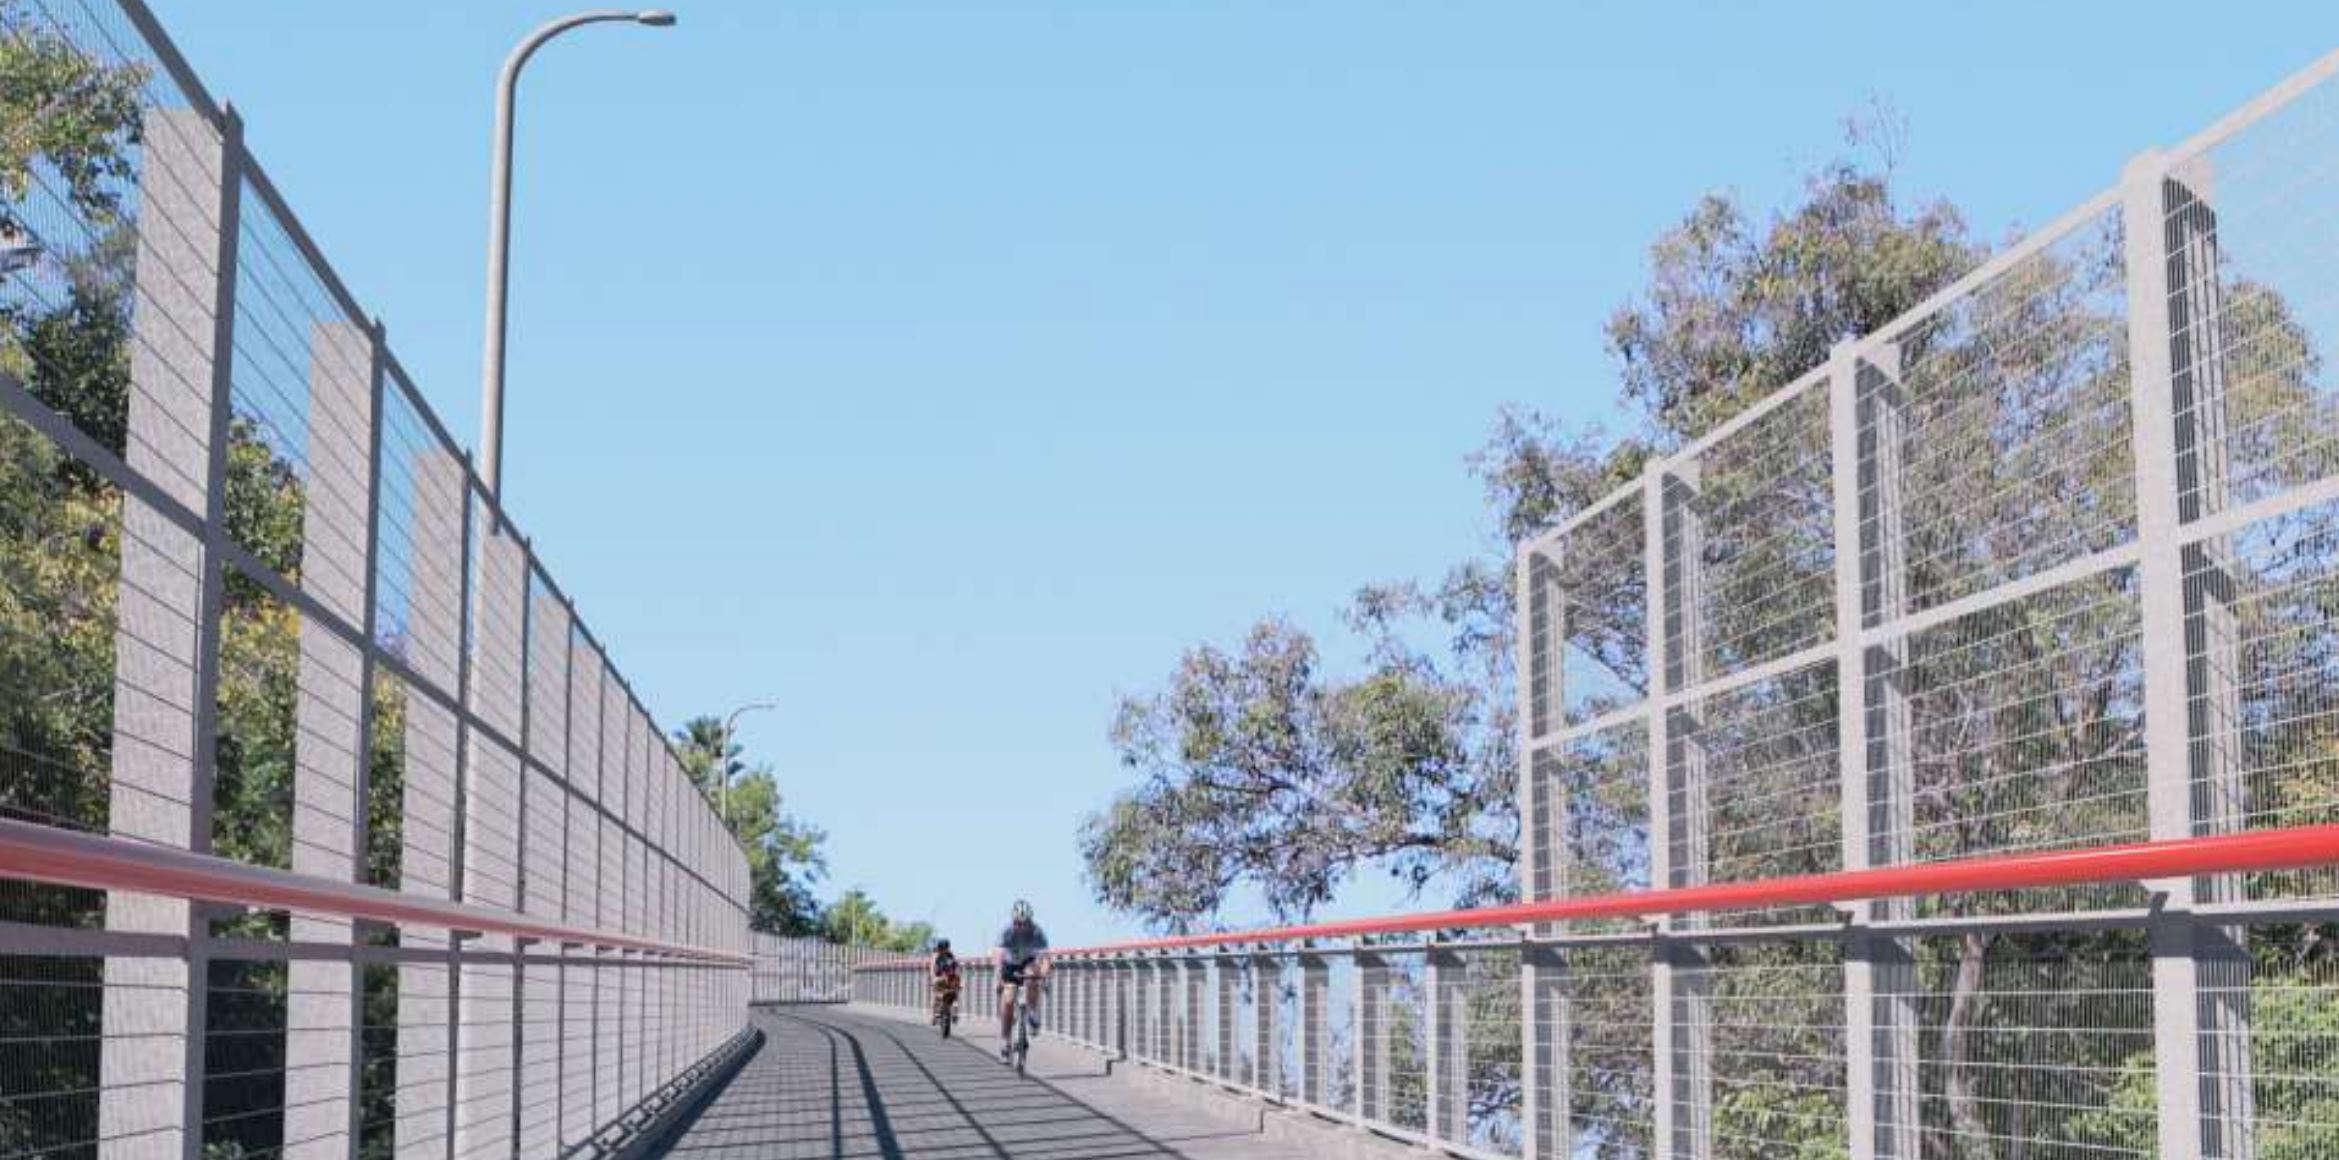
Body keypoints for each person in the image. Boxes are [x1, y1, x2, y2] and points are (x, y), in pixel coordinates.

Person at [995, 899, 1049, 1062]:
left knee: (1032, 973)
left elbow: (1046, 958)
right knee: (1009, 1000)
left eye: (1025, 923)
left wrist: (1045, 976)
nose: (1021, 927)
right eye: (1018, 923)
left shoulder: (1037, 931)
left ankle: (1032, 1012)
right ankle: (1005, 1041)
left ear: (1030, 921)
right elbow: (998, 956)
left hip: (1027, 962)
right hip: (1009, 966)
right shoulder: (1007, 931)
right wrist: (998, 978)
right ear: (1013, 921)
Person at [929, 939, 962, 1024]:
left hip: (949, 978)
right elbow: (932, 969)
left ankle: (954, 1012)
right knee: (937, 995)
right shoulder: (936, 956)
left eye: (944, 948)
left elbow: (957, 968)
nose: (942, 950)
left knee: (954, 994)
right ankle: (935, 1015)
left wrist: (958, 979)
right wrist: (934, 978)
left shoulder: (951, 955)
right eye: (941, 948)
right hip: (940, 977)